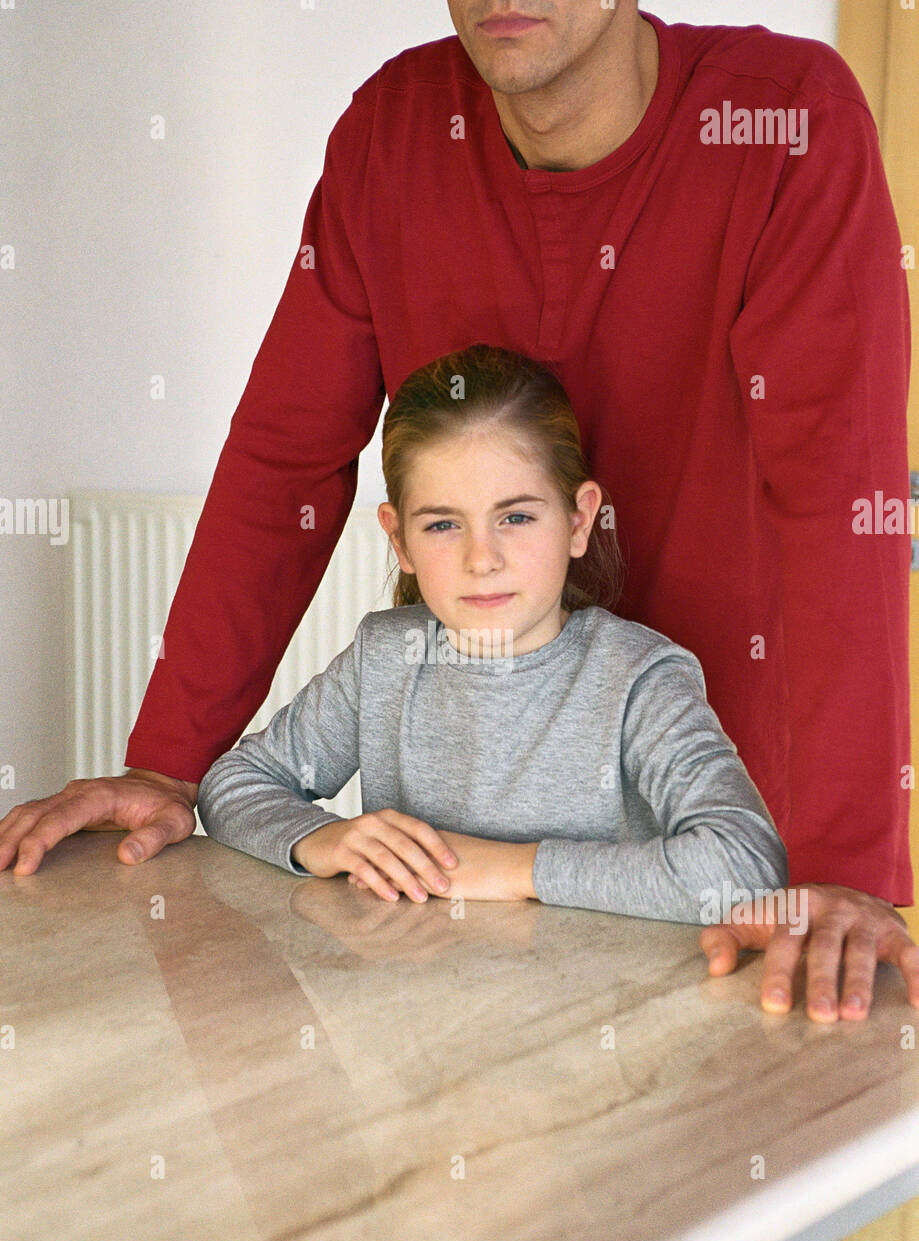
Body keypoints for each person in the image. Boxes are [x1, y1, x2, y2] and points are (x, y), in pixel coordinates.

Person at [2, 4, 917, 1015]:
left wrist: (844, 867)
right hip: (450, 937)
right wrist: (169, 764)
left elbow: (841, 499)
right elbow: (284, 459)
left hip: (719, 859)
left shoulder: (785, 120)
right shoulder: (391, 135)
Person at [196, 343, 788, 922]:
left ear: (578, 521)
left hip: (593, 1003)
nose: (483, 558)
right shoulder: (383, 661)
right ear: (399, 539)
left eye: (516, 517)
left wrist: (509, 871)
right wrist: (322, 839)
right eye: (444, 524)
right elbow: (233, 783)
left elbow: (747, 864)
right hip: (412, 1000)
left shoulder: (639, 678)